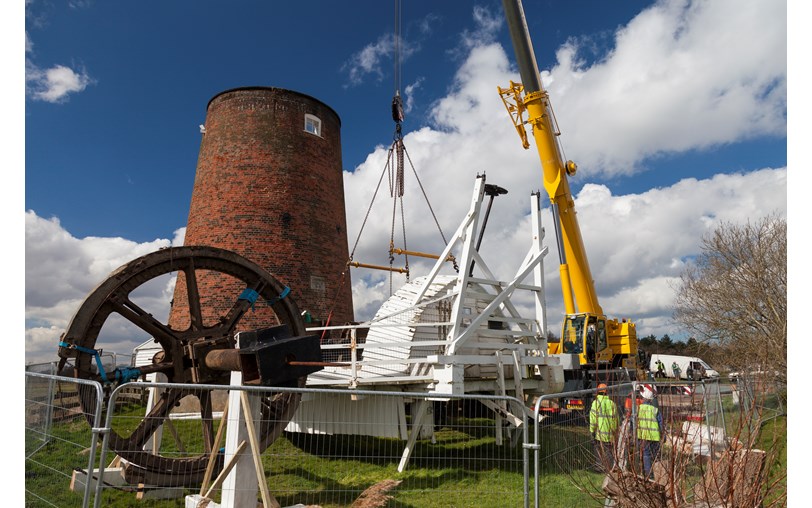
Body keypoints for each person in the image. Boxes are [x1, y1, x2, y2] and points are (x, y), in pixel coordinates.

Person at [589, 383, 619, 472]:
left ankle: (599, 467)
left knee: (598, 450)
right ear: (607, 392)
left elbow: (593, 419)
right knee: (609, 451)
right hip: (610, 434)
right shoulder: (612, 404)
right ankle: (608, 468)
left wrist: (592, 431)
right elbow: (616, 420)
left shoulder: (595, 403)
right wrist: (615, 431)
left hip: (599, 433)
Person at [636, 386, 664, 478]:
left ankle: (648, 475)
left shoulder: (639, 409)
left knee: (646, 455)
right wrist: (663, 435)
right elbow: (660, 423)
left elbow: (635, 422)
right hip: (655, 437)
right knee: (655, 455)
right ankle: (658, 474)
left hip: (643, 436)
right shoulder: (655, 410)